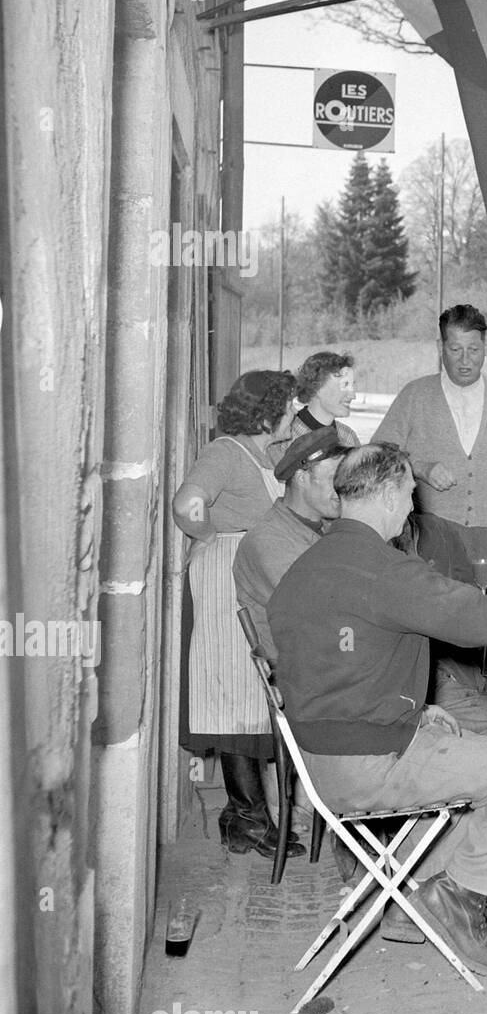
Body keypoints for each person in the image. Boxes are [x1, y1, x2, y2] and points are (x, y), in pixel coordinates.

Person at [267, 442, 487, 976]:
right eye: (410, 493)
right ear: (386, 494)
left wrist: (409, 709)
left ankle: (414, 905)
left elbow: (332, 667)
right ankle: (454, 896)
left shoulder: (307, 566)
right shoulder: (386, 570)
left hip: (324, 758)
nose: (413, 507)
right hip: (369, 765)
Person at [372, 305, 487, 725]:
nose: (465, 359)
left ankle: (467, 718)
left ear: (486, 347)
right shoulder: (415, 395)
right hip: (430, 531)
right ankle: (430, 709)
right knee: (433, 623)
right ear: (441, 348)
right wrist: (422, 468)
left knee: (477, 627)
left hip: (483, 533)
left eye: (474, 349)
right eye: (456, 349)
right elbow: (379, 454)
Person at [171, 368, 304, 860]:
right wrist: (213, 541)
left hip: (251, 582)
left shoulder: (263, 454)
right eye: (288, 404)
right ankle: (247, 817)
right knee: (234, 699)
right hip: (225, 581)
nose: (294, 412)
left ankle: (240, 818)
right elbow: (187, 503)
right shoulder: (226, 451)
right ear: (266, 409)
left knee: (252, 697)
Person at [232, 427, 347, 666]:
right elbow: (324, 610)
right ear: (301, 478)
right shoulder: (268, 541)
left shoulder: (327, 529)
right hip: (306, 676)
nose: (342, 490)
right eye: (333, 480)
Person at [289, 351, 361, 447]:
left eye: (352, 385)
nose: (353, 395)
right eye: (345, 384)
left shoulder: (349, 438)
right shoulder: (286, 438)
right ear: (317, 387)